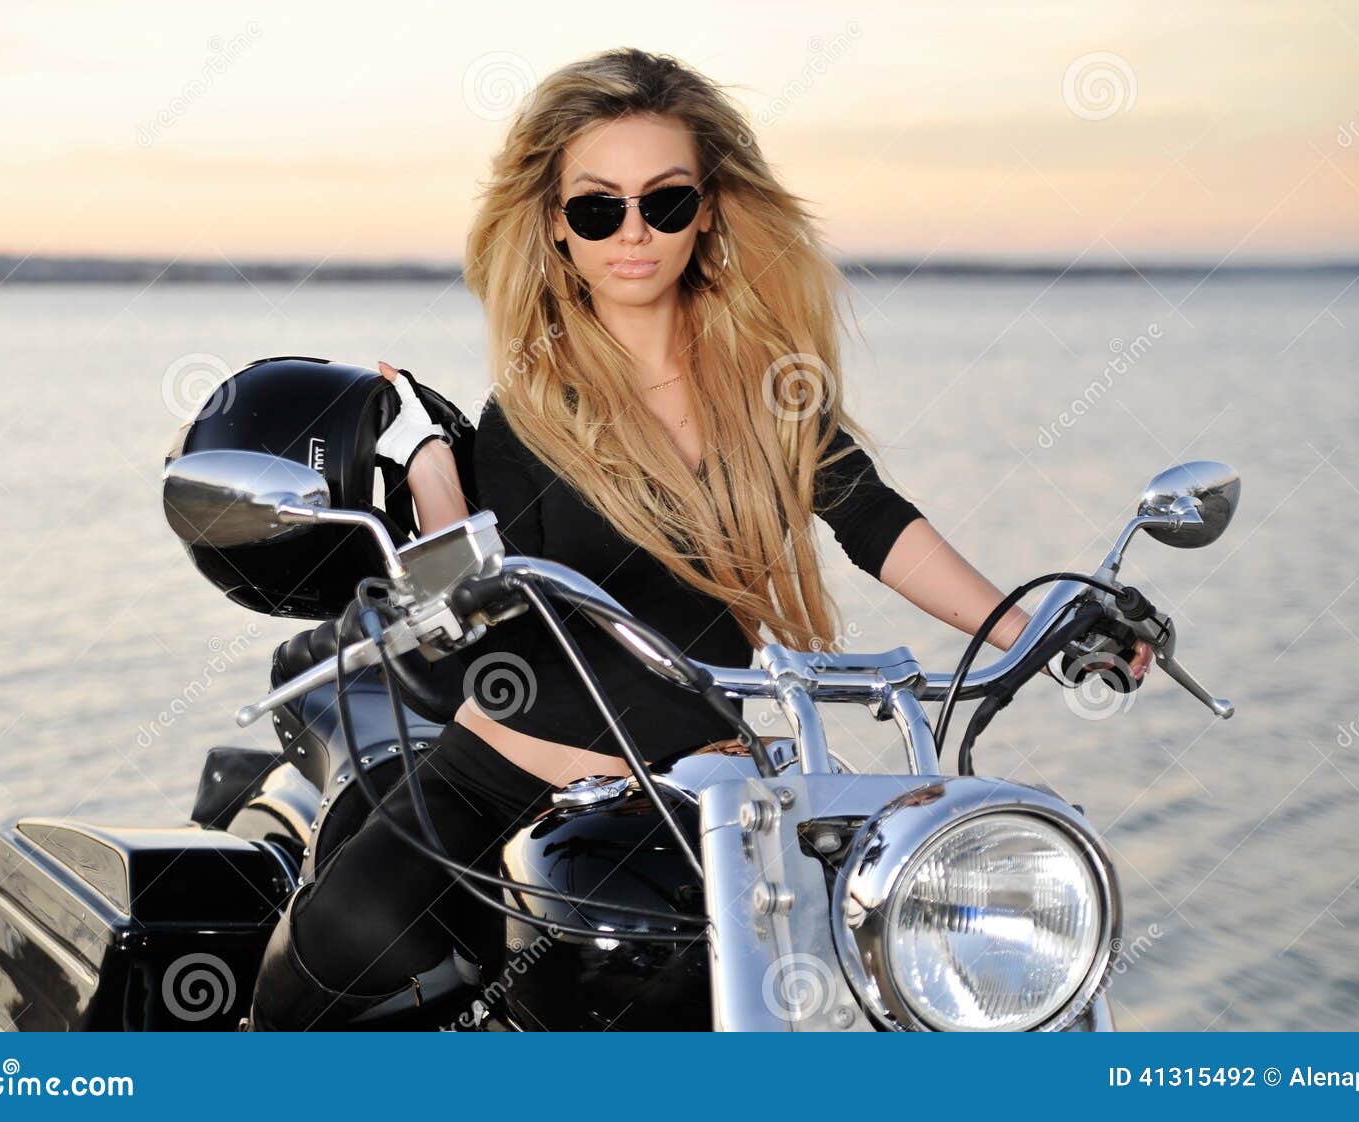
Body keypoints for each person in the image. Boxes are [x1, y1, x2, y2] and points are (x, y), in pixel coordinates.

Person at [247, 47, 1152, 1030]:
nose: (633, 232)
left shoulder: (770, 388)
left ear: (708, 210)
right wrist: (427, 460)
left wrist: (1034, 626)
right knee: (322, 969)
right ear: (556, 224)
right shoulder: (528, 410)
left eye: (665, 202)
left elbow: (874, 521)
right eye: (599, 208)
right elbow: (482, 625)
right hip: (497, 779)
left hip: (699, 801)